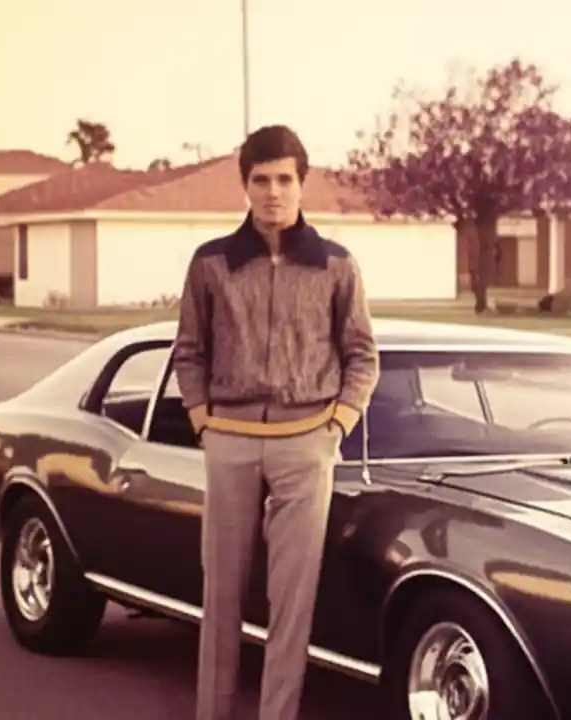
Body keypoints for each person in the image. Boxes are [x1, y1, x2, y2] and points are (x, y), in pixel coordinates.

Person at [172, 124, 379, 720]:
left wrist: (336, 425)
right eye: (260, 180)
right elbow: (190, 350)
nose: (272, 192)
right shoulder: (211, 263)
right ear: (245, 185)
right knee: (222, 594)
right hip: (230, 441)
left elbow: (362, 354)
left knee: (293, 600)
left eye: (284, 179)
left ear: (301, 184)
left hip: (306, 444)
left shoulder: (336, 265)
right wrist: (203, 421)